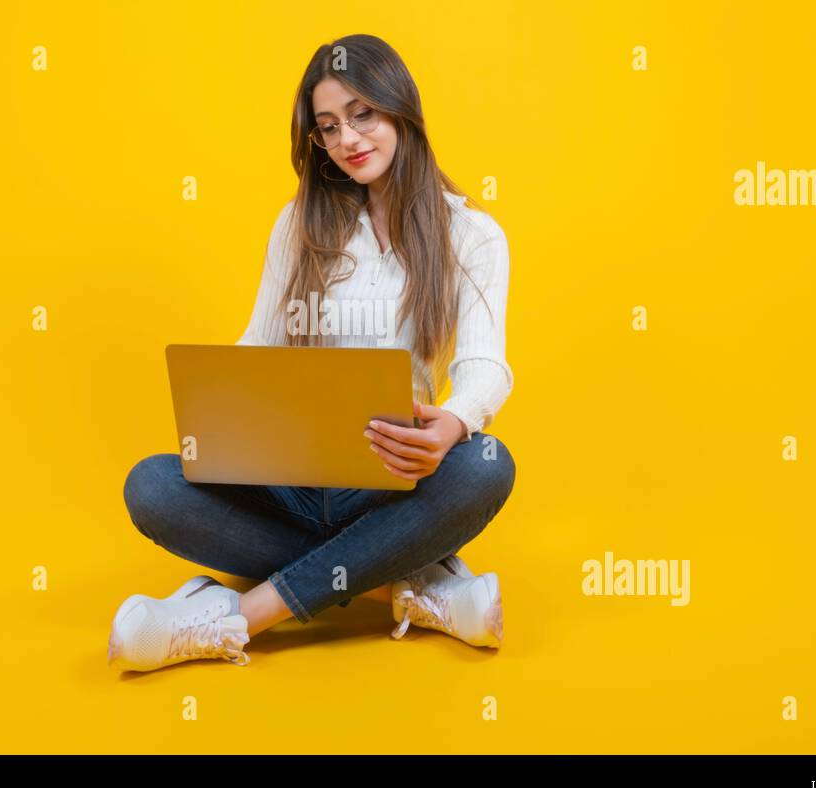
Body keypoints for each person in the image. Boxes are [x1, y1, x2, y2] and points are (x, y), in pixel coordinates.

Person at [109, 34, 516, 672]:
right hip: (291, 480)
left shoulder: (472, 234)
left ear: (399, 109)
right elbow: (256, 345)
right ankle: (408, 583)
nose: (348, 138)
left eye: (363, 115)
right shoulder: (299, 223)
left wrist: (457, 422)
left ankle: (240, 616)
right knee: (152, 485)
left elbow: (484, 365)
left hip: (391, 481)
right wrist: (221, 422)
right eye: (328, 127)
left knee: (488, 465)